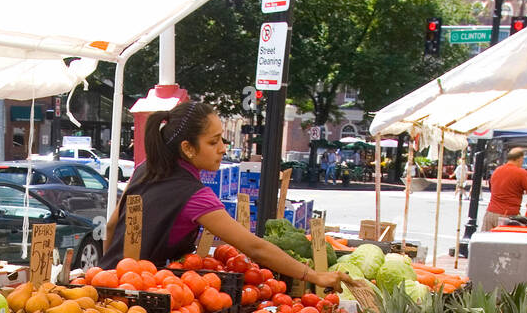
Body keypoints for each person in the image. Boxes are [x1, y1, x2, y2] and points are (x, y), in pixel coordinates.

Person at [101, 100, 351, 289]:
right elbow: (255, 247)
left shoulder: (145, 168)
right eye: (213, 142)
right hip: (140, 295)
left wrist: (106, 268)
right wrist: (314, 275)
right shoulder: (194, 195)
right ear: (187, 148)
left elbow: (113, 224)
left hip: (103, 282)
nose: (223, 149)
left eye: (222, 140)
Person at [482, 147, 527, 230]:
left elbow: (497, 188)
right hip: (507, 215)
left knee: (486, 241)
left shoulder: (497, 170)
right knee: (505, 242)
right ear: (520, 159)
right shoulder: (521, 172)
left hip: (490, 213)